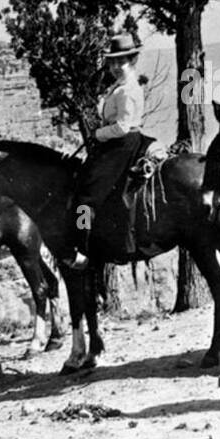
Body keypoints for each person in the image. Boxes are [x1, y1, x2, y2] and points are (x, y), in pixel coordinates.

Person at [66, 34, 146, 269]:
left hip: (122, 144)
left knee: (86, 195)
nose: (114, 67)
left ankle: (82, 247)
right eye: (111, 63)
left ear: (132, 60)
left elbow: (122, 126)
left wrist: (98, 134)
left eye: (120, 62)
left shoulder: (128, 89)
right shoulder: (120, 86)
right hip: (117, 143)